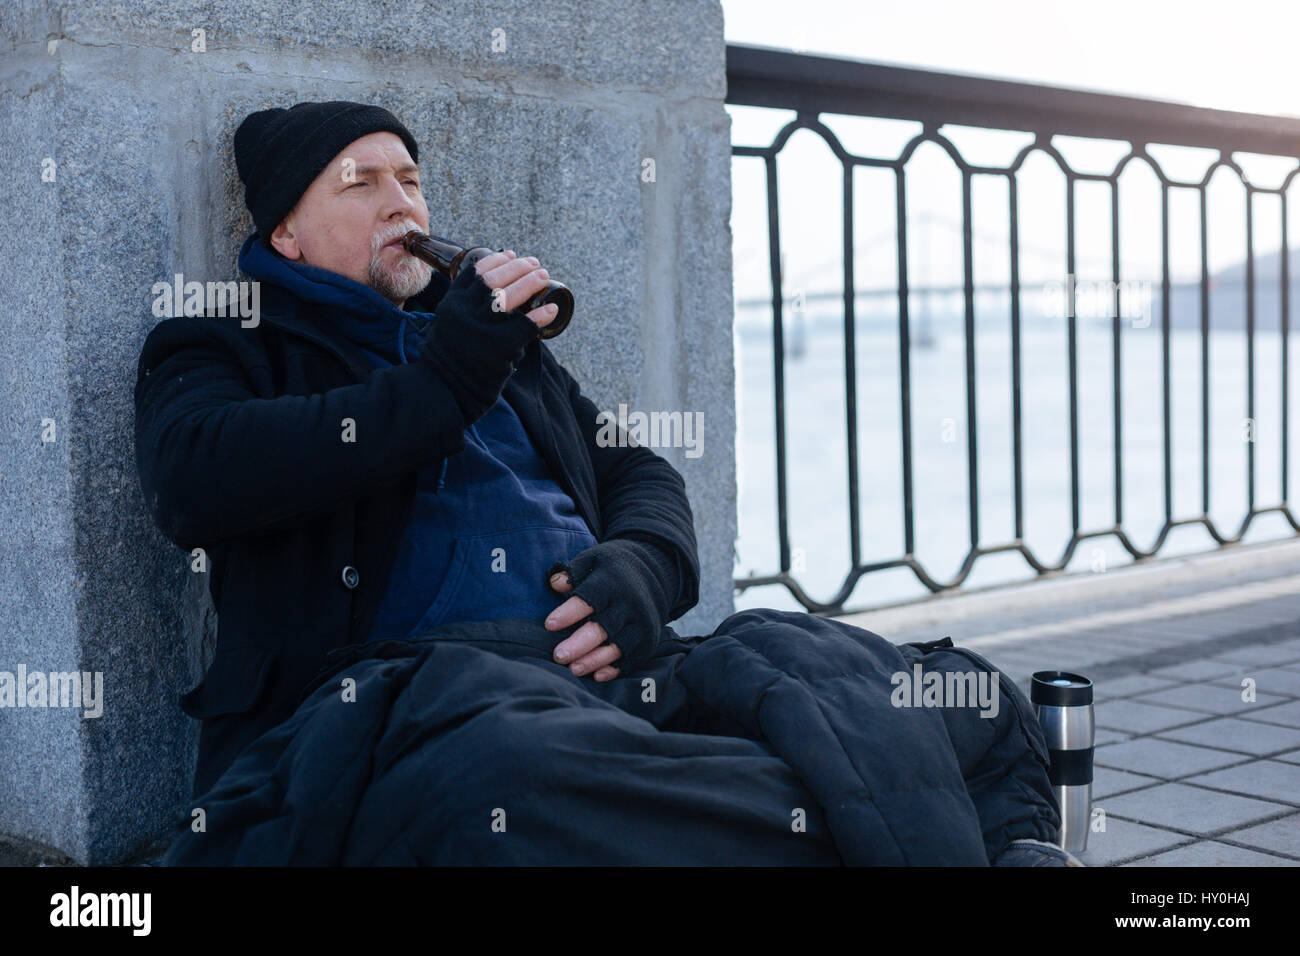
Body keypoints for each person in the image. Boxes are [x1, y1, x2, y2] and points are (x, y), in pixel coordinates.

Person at [134, 101, 1080, 866]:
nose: (404, 206)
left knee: (940, 690)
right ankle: (952, 835)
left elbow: (637, 469)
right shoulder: (228, 347)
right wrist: (451, 377)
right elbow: (195, 479)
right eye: (361, 182)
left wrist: (644, 567)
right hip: (429, 698)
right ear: (287, 234)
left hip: (616, 682)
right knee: (508, 784)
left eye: (411, 180)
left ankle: (962, 839)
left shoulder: (500, 350)